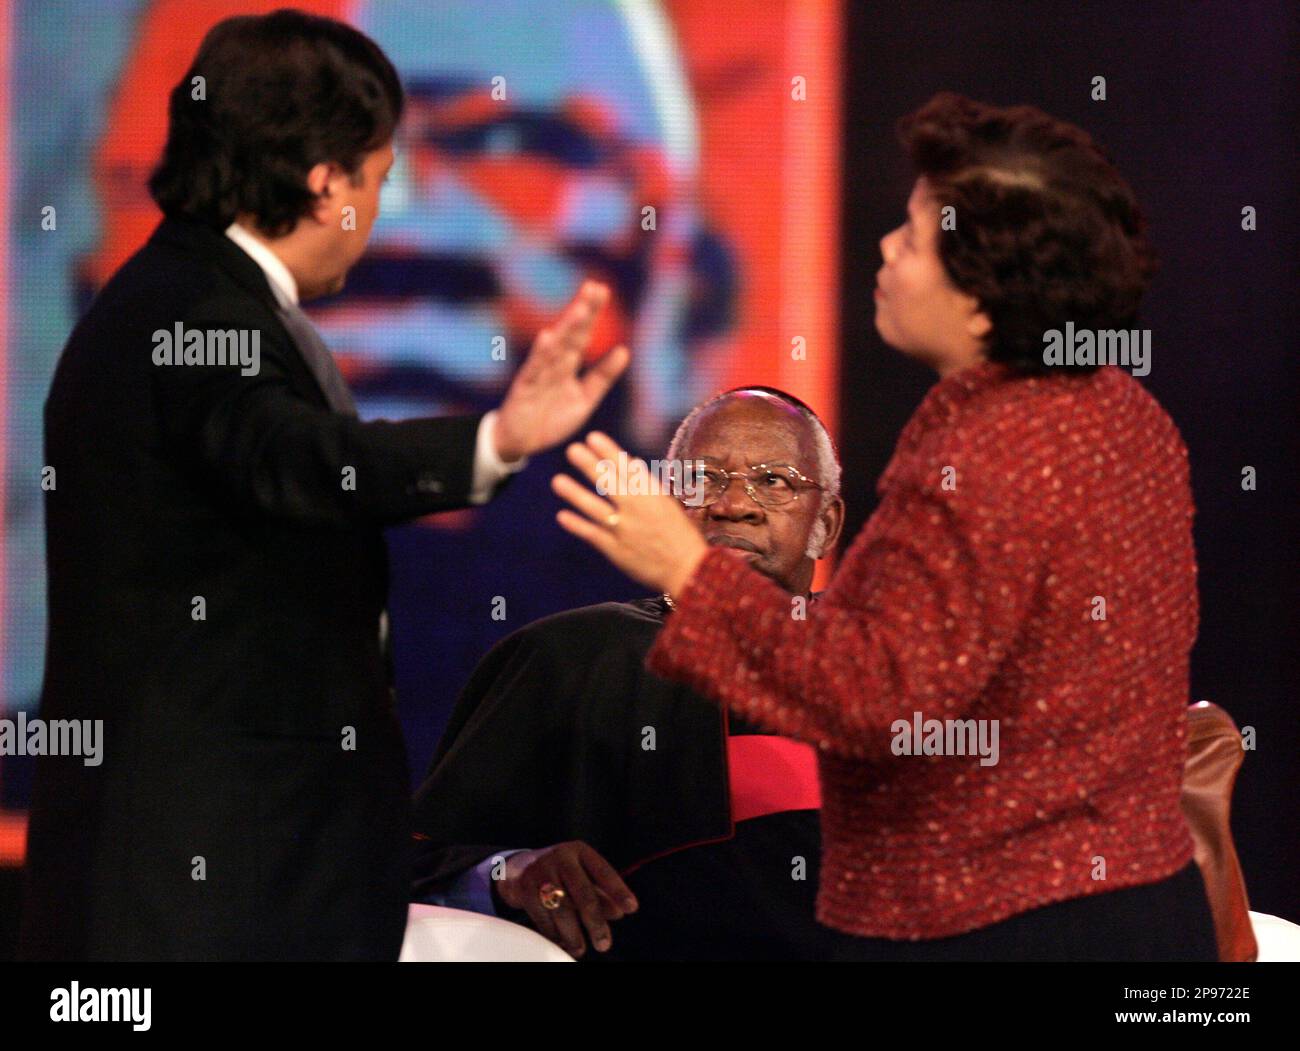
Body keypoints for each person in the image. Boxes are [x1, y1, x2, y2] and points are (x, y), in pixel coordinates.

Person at [552, 92, 1218, 961]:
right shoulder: (1130, 417)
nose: (885, 250)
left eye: (910, 237)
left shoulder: (989, 448)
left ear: (980, 298)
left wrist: (687, 567)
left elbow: (872, 695)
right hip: (1145, 920)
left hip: (1002, 927)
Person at [21, 10, 627, 962]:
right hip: (197, 899)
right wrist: (493, 439)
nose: (388, 210)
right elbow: (291, 457)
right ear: (323, 180)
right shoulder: (186, 313)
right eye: (381, 179)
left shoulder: (200, 301)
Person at [411, 388, 846, 960]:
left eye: (774, 481)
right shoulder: (571, 655)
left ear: (827, 523)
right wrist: (510, 870)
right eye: (702, 479)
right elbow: (416, 862)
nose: (733, 504)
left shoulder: (891, 669)